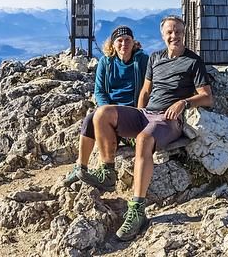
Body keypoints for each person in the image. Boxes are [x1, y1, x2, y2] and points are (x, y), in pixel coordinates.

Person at [90, 15, 213, 241]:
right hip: (146, 114)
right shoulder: (155, 58)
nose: (173, 36)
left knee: (144, 140)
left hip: (168, 119)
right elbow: (145, 92)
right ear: (163, 35)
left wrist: (184, 102)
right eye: (169, 32)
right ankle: (108, 171)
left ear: (184, 33)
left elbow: (207, 97)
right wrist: (138, 114)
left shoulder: (193, 61)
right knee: (101, 114)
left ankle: (137, 210)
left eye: (177, 31)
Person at [62, 25, 148, 189]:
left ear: (133, 42)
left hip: (132, 112)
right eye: (119, 40)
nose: (124, 44)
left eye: (127, 40)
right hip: (111, 111)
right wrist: (107, 112)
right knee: (89, 119)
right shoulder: (106, 62)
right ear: (113, 44)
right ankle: (80, 168)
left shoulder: (142, 60)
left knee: (99, 116)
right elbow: (99, 91)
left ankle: (108, 172)